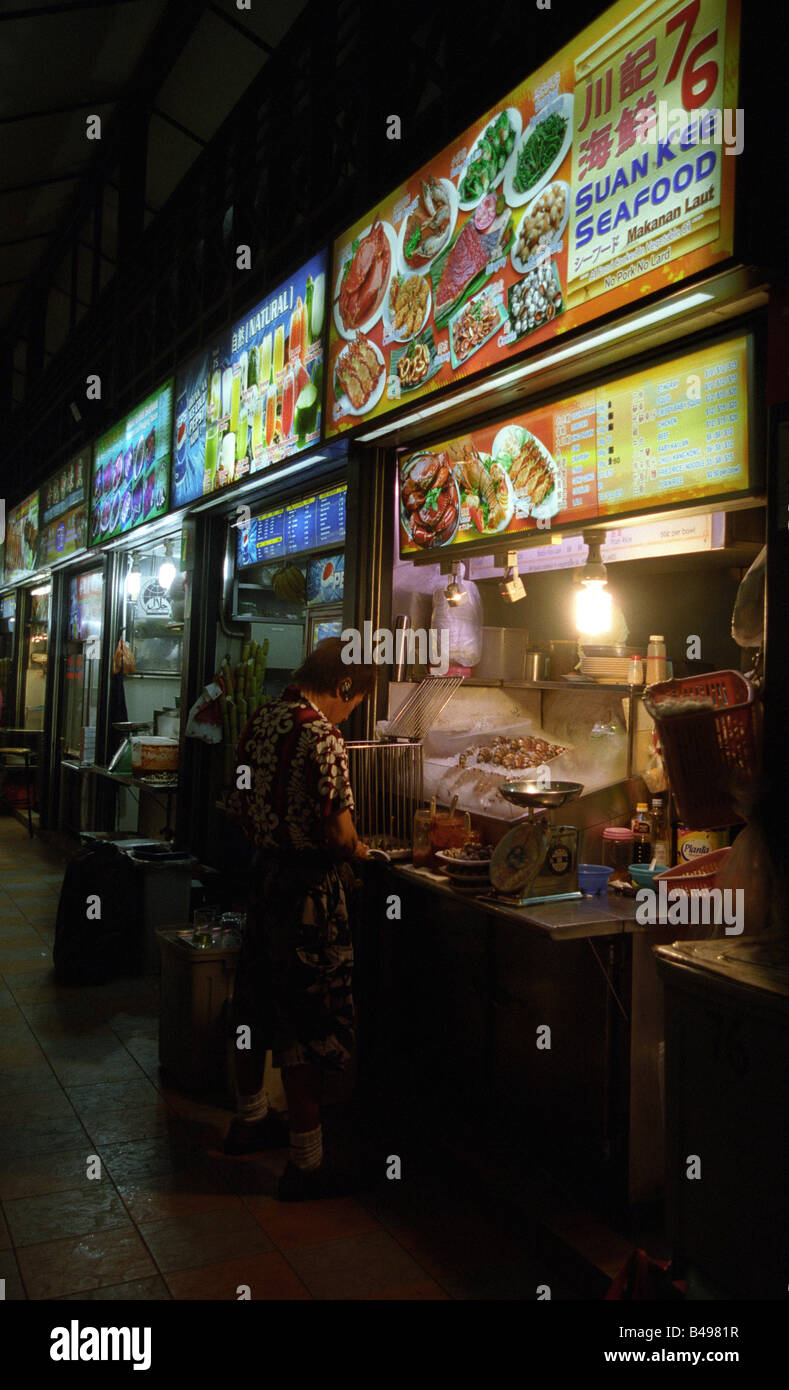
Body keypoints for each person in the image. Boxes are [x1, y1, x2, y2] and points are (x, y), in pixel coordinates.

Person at [224, 637, 377, 1200]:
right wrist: (361, 851)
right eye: (353, 703)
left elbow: (238, 804)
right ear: (342, 687)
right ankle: (307, 1163)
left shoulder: (260, 721)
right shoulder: (324, 736)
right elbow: (340, 835)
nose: (348, 714)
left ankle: (249, 1119)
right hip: (309, 896)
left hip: (263, 883)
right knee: (304, 1026)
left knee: (253, 1004)